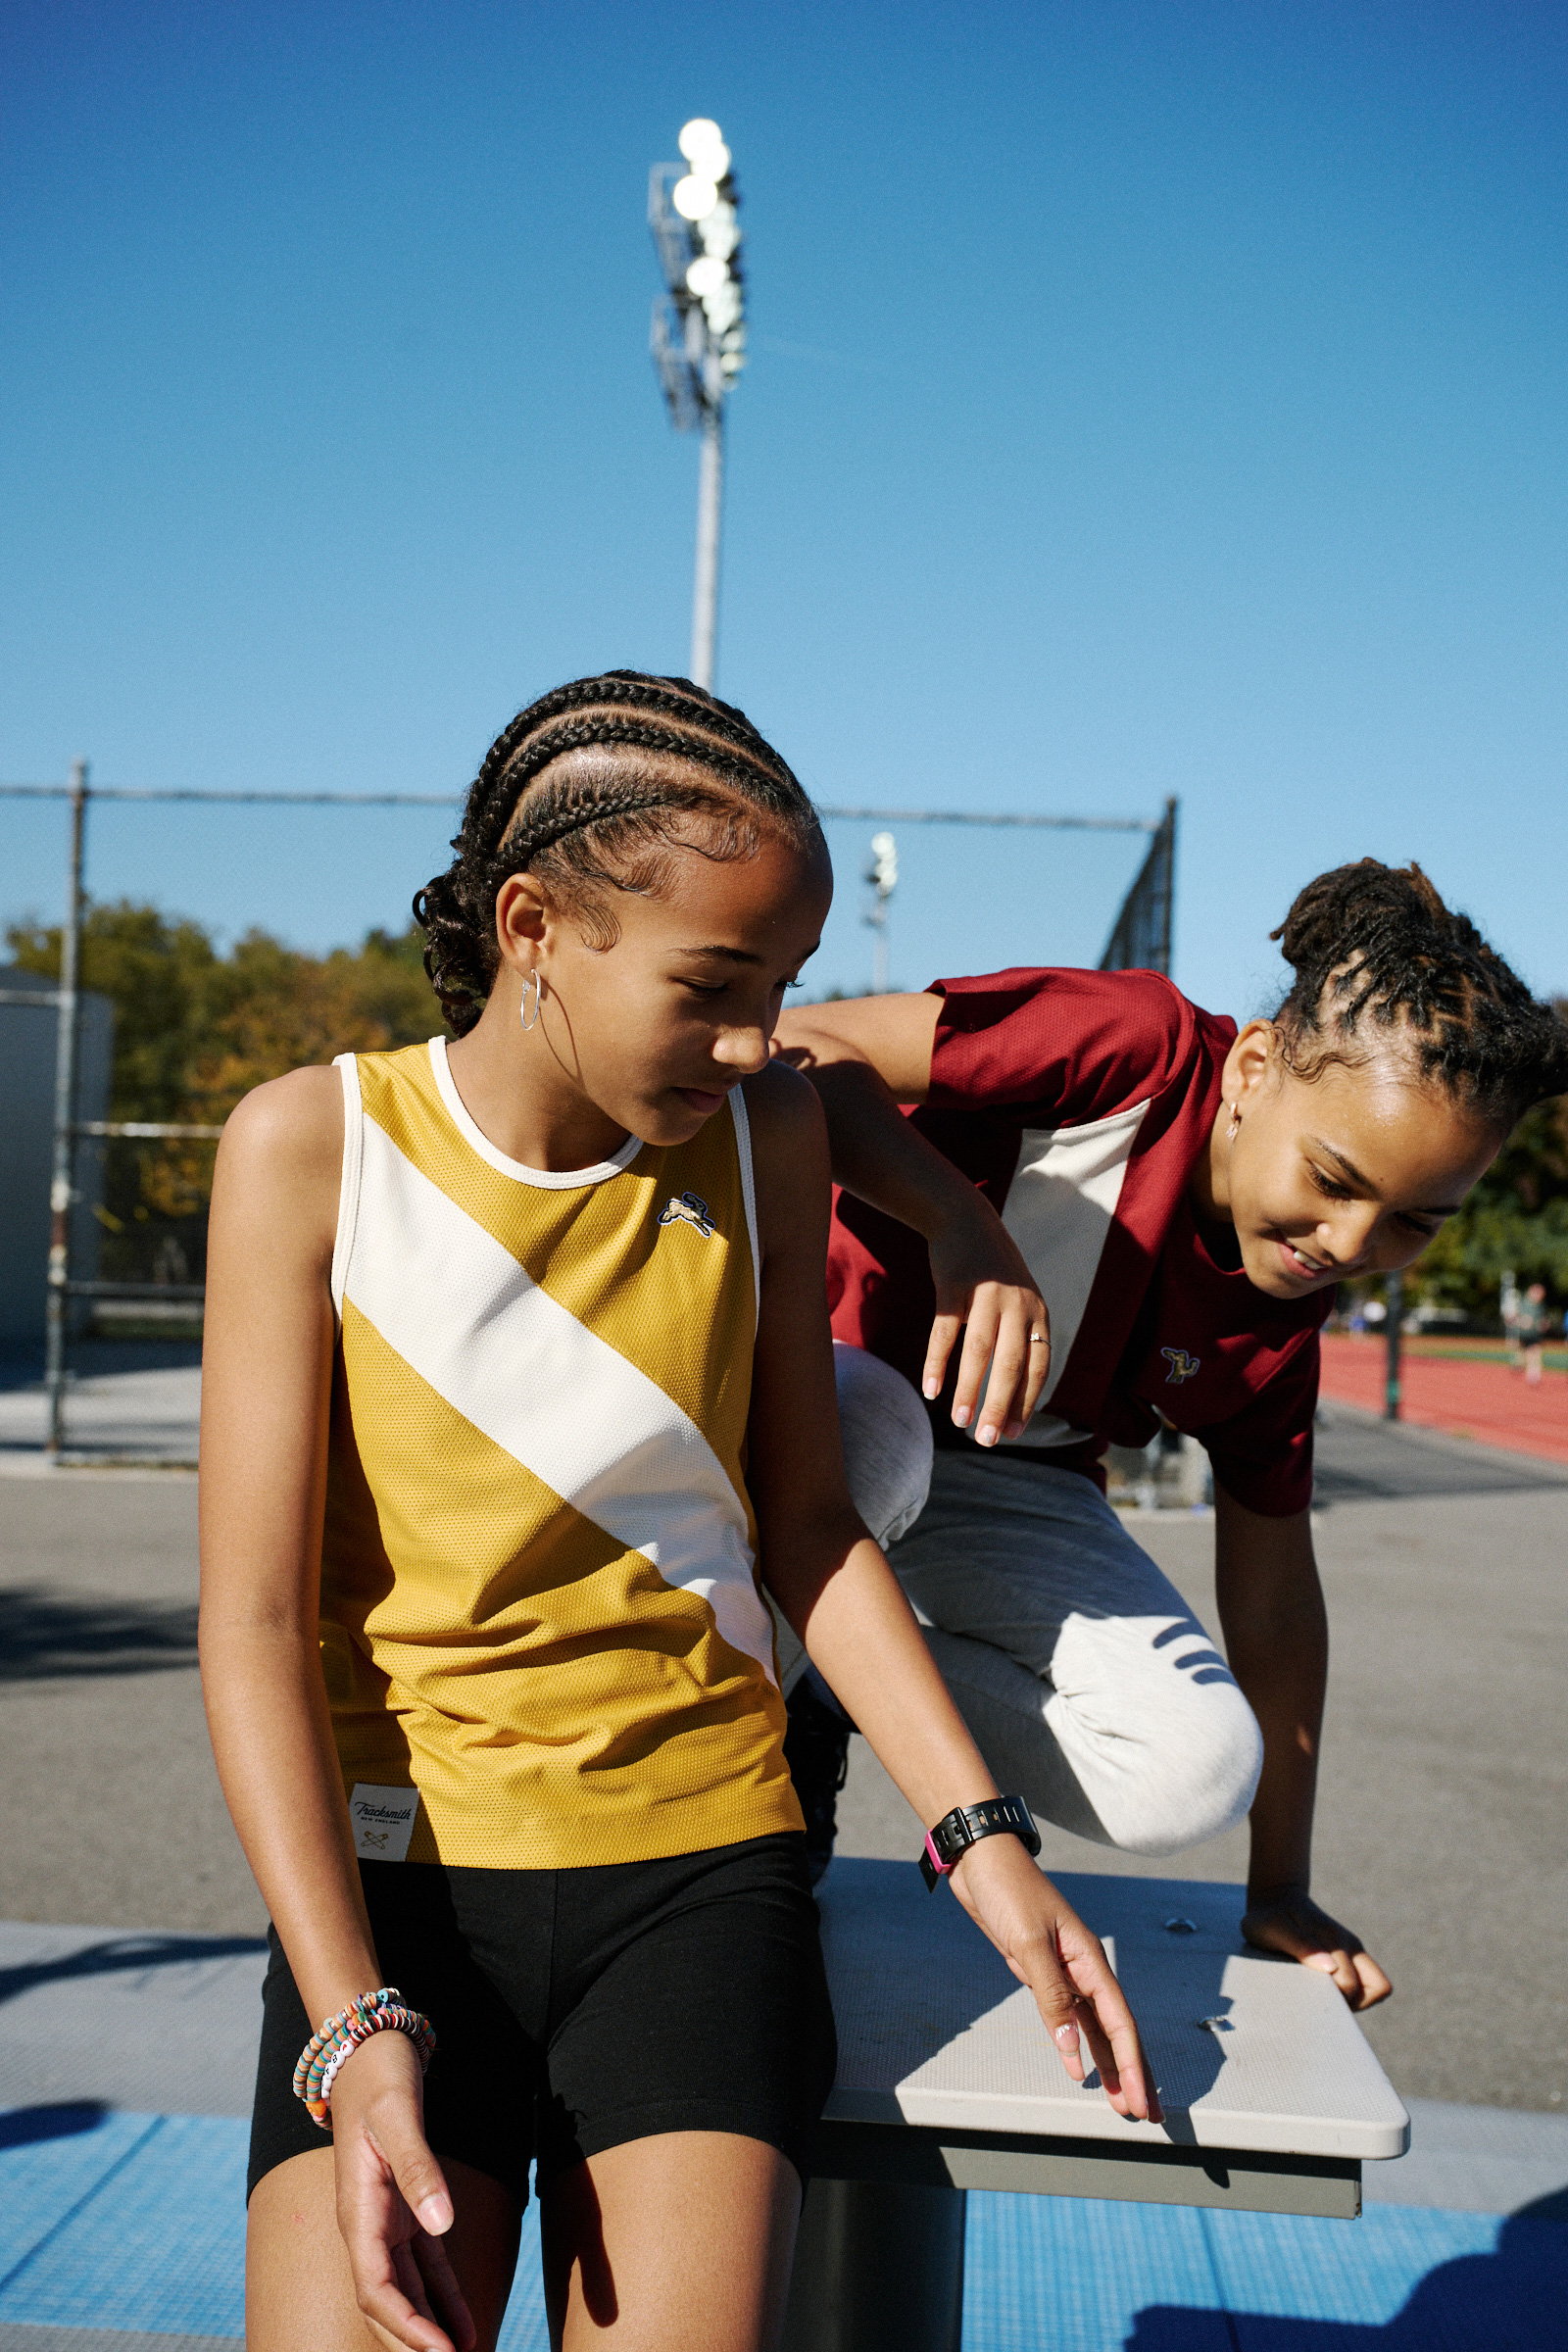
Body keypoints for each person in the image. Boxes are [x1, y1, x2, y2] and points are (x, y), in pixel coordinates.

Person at [198, 672, 1157, 2352]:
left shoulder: (766, 1134)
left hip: (698, 1873)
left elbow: (811, 1527)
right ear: (531, 926)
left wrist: (983, 1841)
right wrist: (352, 2023)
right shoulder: (311, 1150)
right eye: (715, 986)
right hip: (401, 1891)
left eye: (781, 991)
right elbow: (256, 1625)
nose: (755, 1041)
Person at [775, 860, 1568, 2011]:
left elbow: (1275, 1600)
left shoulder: (1279, 1318)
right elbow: (806, 1045)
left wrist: (1281, 1886)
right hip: (819, 1409)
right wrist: (957, 1221)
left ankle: (828, 1680)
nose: (1349, 1241)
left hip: (1010, 1476)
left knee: (1196, 1768)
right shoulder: (1129, 1046)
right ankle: (745, 1796)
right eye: (1335, 1178)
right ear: (1252, 1072)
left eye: (1412, 1221)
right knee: (882, 1429)